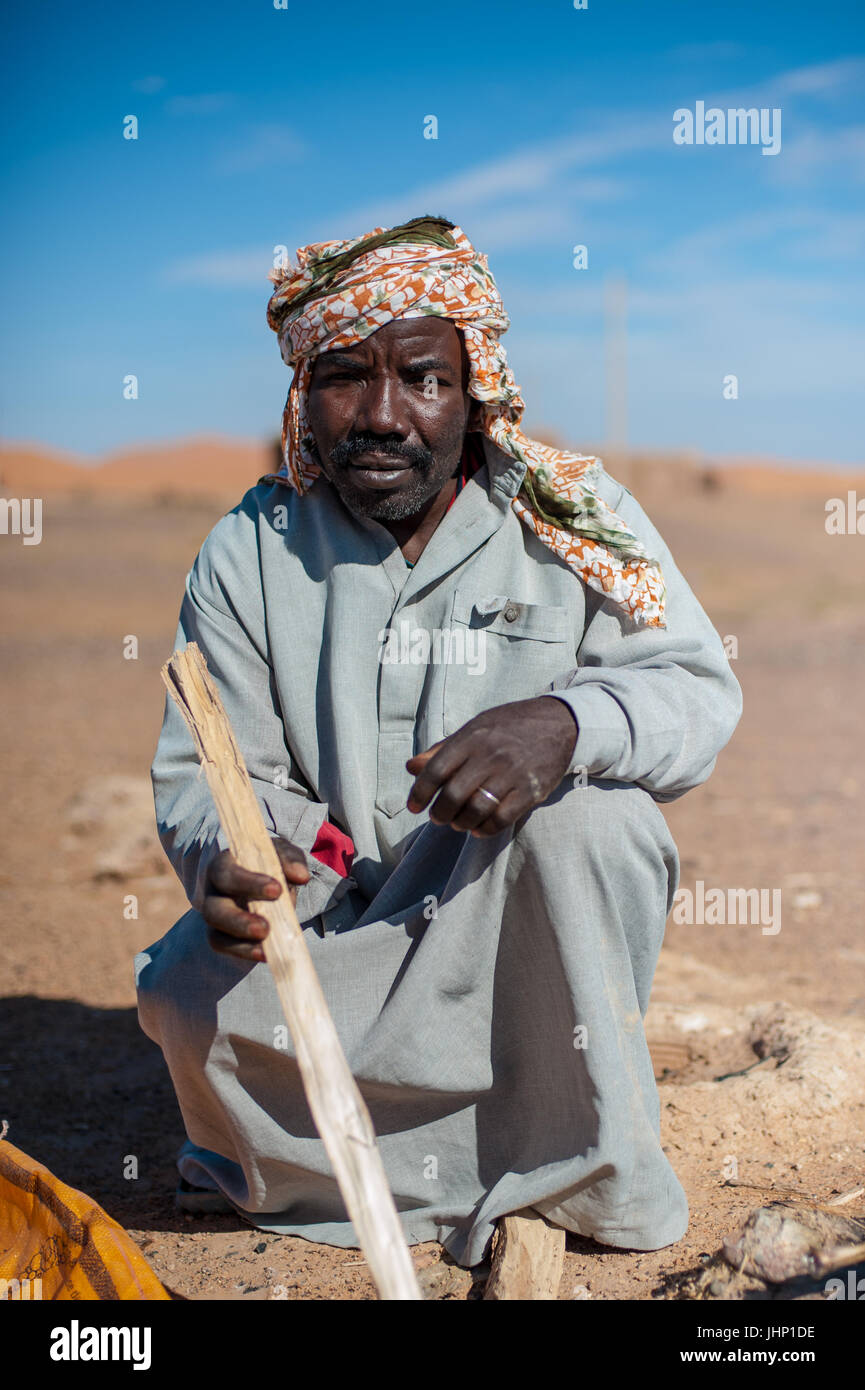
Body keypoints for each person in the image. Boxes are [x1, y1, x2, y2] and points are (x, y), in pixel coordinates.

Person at [136, 215, 742, 1270]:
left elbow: (693, 690)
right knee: (189, 986)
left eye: (421, 377)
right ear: (301, 393)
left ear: (473, 390)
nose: (380, 415)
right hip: (335, 934)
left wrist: (564, 725)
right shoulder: (250, 549)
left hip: (503, 936)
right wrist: (234, 857)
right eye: (342, 378)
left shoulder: (572, 516)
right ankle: (428, 1163)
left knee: (600, 824)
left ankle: (580, 1167)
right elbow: (212, 769)